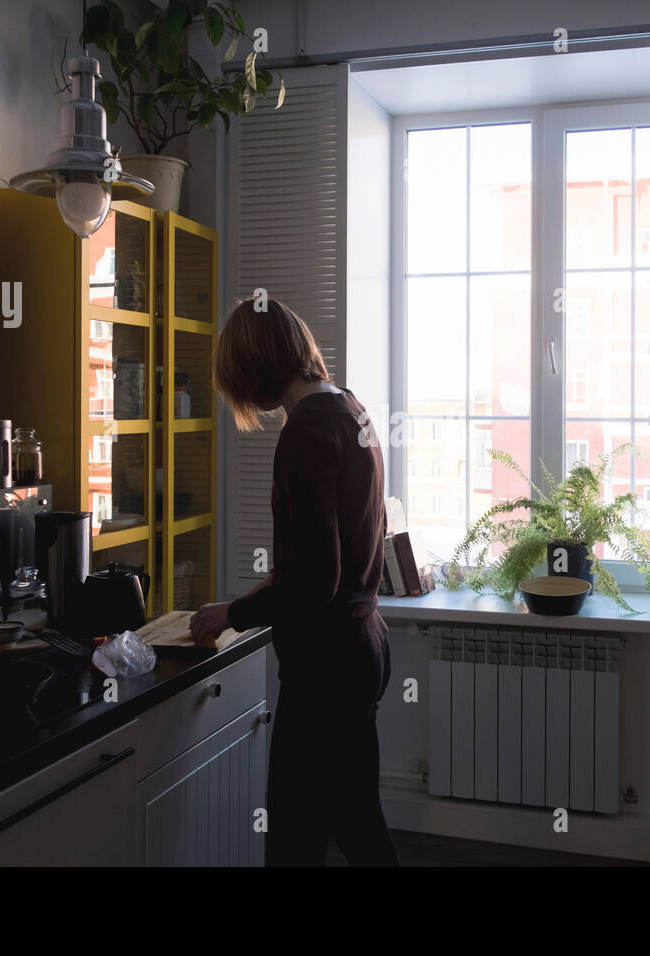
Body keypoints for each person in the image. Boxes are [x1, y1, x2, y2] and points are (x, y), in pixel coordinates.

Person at [188, 297, 398, 867]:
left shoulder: (305, 430)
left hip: (328, 666)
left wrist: (232, 614)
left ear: (253, 368)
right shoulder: (349, 407)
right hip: (363, 645)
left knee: (294, 834)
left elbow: (313, 582)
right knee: (355, 818)